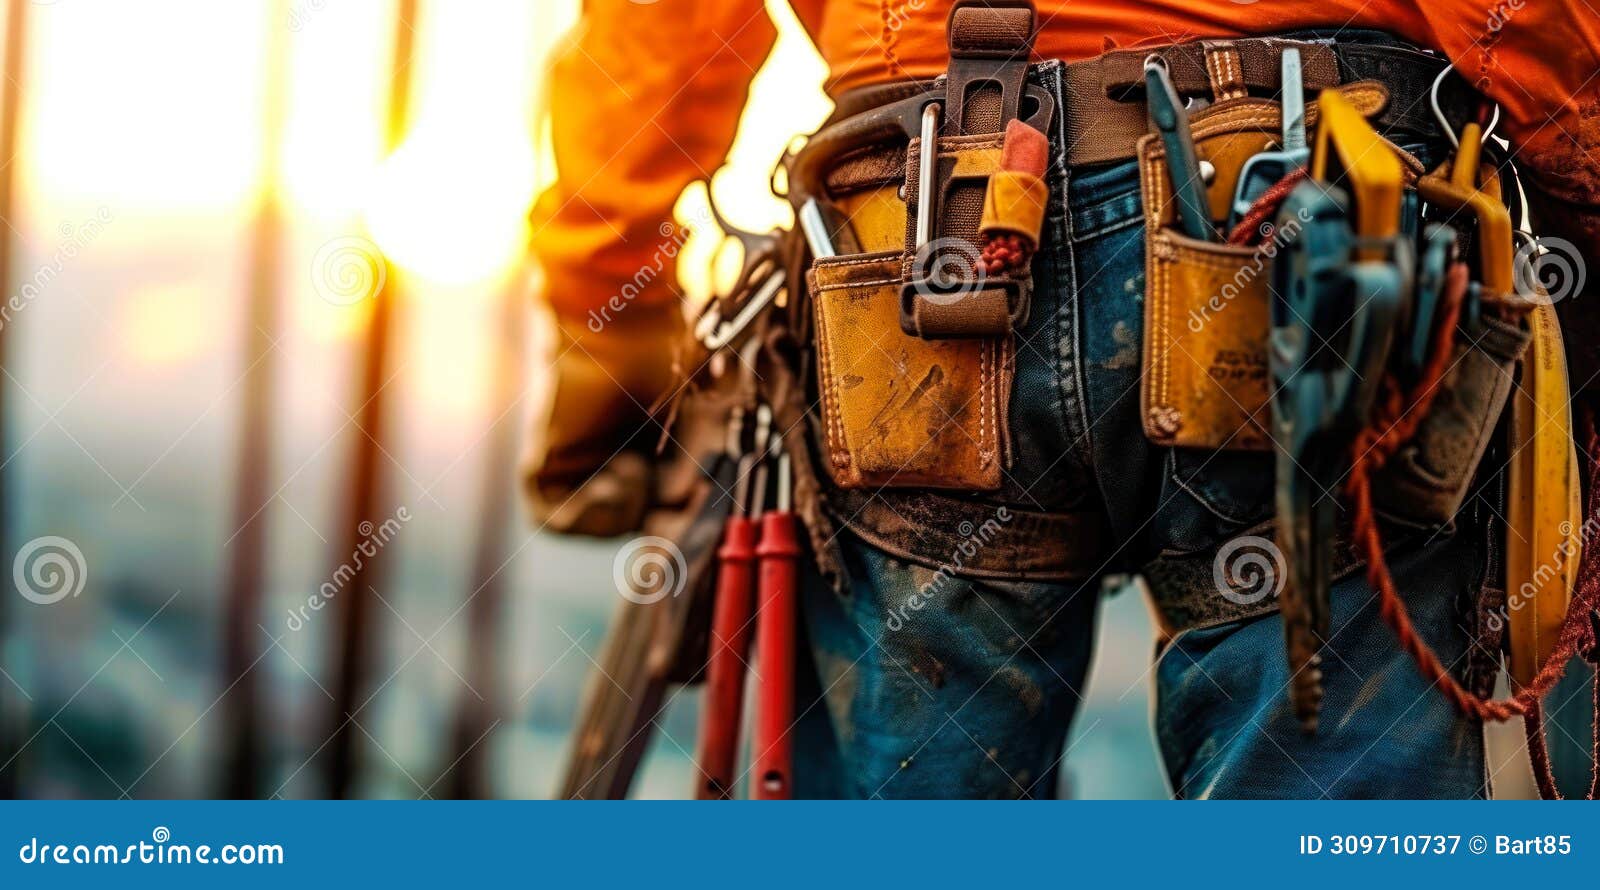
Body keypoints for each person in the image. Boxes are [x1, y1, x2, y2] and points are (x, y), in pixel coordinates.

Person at [525, 0, 1600, 798]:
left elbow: (654, 37)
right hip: (1295, 223)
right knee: (1328, 785)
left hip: (908, 250)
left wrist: (607, 312)